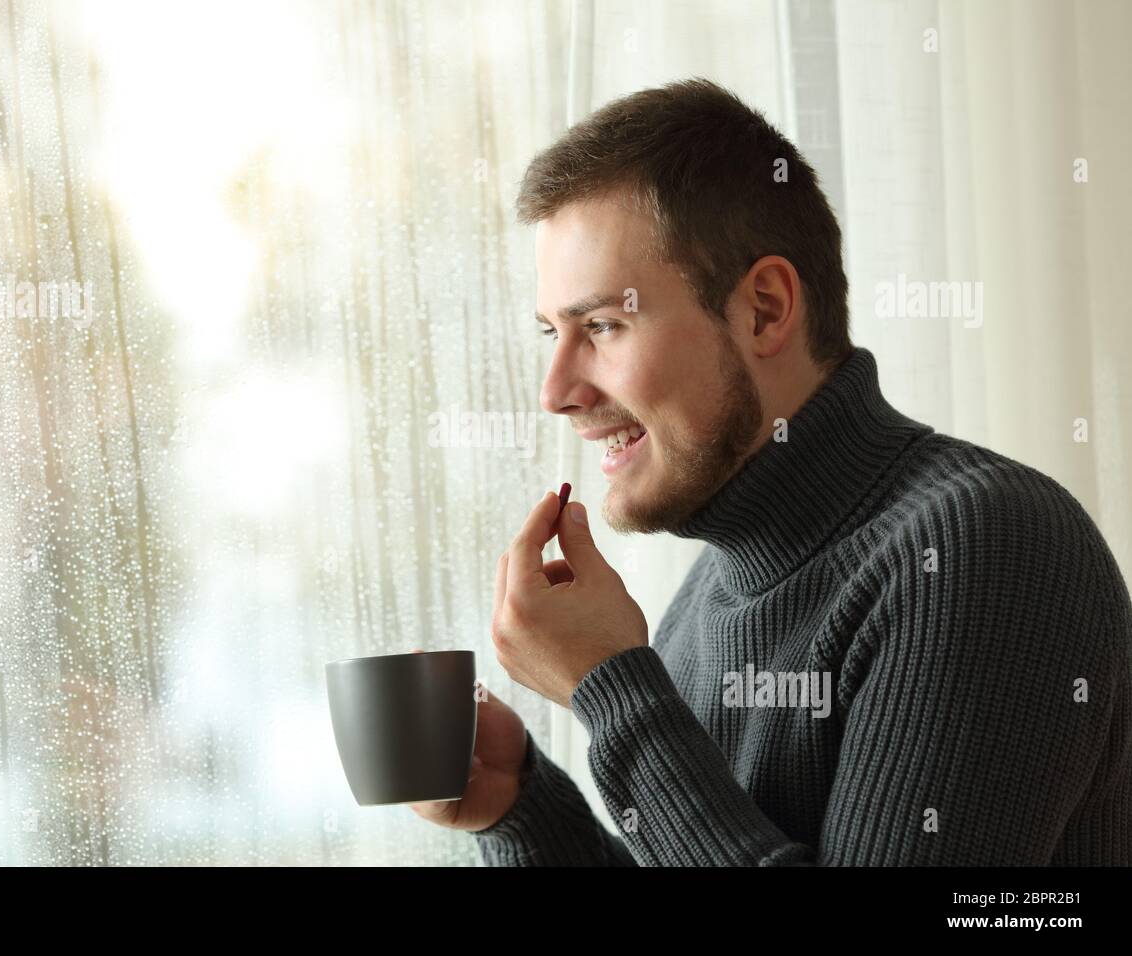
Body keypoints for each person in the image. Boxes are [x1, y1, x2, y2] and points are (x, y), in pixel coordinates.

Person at [410, 78, 1132, 865]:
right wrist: (520, 809)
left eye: (604, 325)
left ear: (764, 309)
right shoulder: (706, 600)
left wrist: (614, 690)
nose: (556, 392)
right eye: (551, 332)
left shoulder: (985, 547)